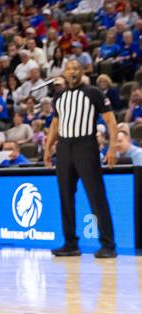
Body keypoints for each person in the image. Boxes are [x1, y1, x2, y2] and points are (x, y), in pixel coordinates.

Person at [45, 59, 118, 258]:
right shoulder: (58, 96)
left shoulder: (94, 93)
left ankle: (108, 245)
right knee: (65, 197)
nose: (72, 72)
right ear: (64, 73)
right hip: (64, 148)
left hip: (86, 146)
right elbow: (55, 125)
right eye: (68, 69)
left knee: (96, 196)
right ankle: (70, 244)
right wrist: (48, 148)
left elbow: (111, 120)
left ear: (82, 71)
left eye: (76, 68)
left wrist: (113, 147)